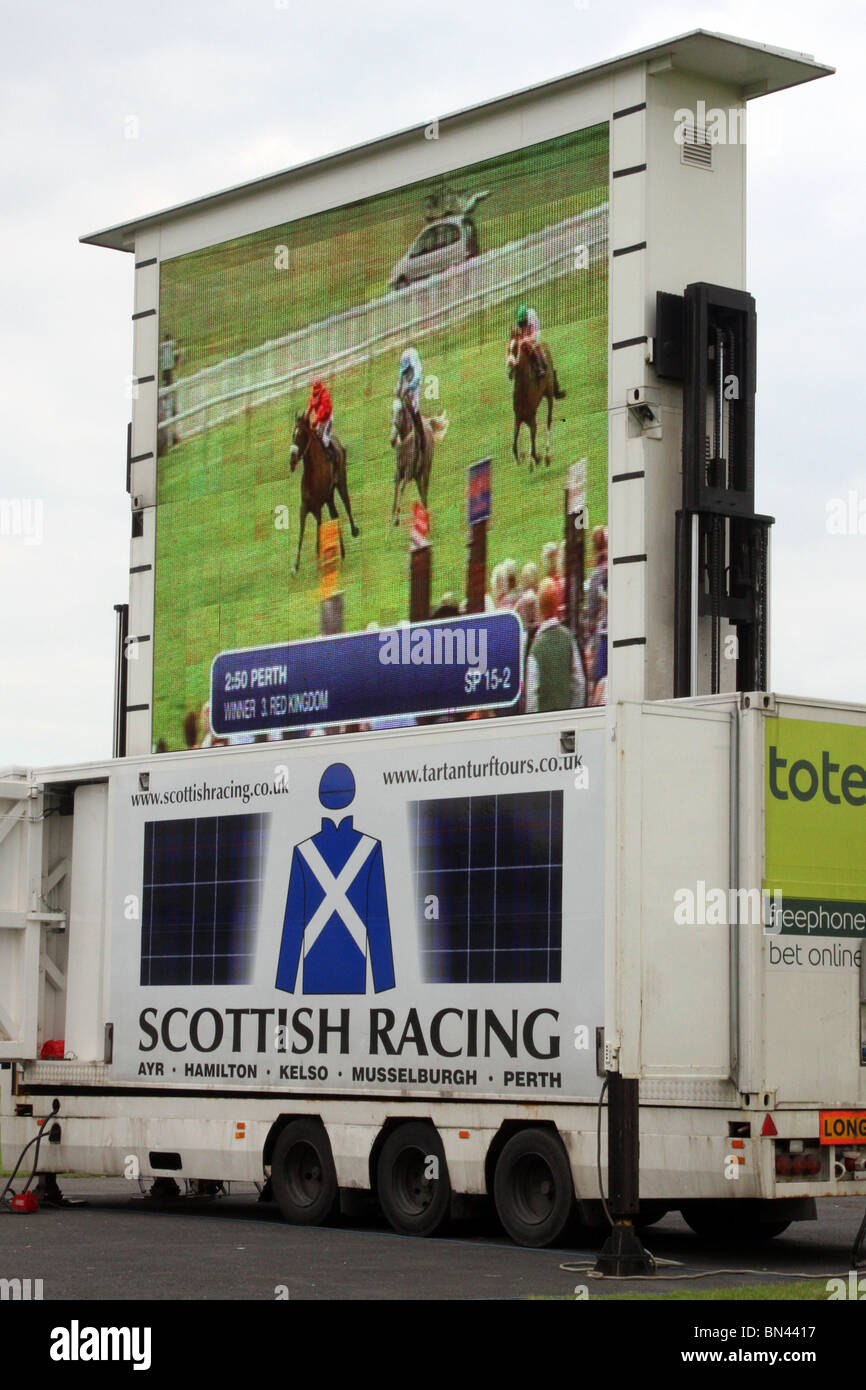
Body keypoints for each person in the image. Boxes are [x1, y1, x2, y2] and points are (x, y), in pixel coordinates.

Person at [526, 579, 586, 713]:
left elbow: (532, 694)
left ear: (538, 608)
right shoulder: (568, 639)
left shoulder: (536, 648)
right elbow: (579, 683)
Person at [307, 379, 339, 488]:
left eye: (317, 390)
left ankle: (334, 458)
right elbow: (310, 407)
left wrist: (316, 421)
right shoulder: (313, 395)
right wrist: (306, 417)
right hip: (320, 420)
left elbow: (325, 411)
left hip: (327, 419)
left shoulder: (325, 395)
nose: (315, 392)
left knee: (324, 439)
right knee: (316, 438)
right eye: (314, 390)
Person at [396, 346, 425, 455]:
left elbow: (417, 377)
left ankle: (421, 437)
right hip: (408, 381)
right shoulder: (404, 362)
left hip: (416, 384)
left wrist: (410, 387)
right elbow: (401, 377)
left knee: (414, 406)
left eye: (408, 369)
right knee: (398, 406)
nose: (407, 370)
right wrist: (399, 388)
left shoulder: (415, 366)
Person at [514, 304, 544, 380]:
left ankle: (539, 367)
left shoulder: (532, 319)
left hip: (534, 333)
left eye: (524, 322)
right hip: (525, 336)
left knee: (532, 347)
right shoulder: (519, 323)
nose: (522, 324)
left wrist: (528, 340)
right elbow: (517, 334)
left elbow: (534, 334)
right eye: (521, 323)